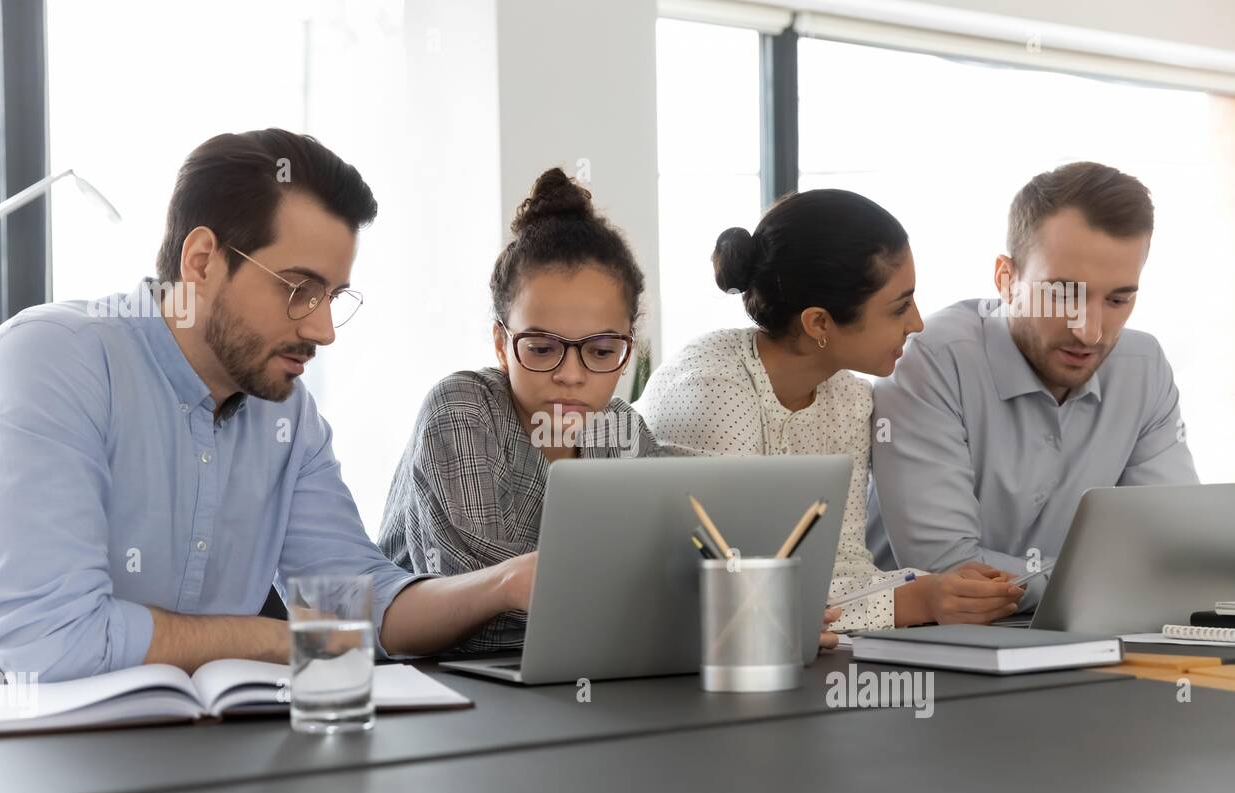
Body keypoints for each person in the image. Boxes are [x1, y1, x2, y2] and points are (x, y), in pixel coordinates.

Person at [0, 128, 534, 686]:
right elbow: (52, 645)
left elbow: (356, 605)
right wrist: (281, 642)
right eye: (299, 290)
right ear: (201, 261)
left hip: (187, 756)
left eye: (333, 297)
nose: (323, 330)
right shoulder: (51, 363)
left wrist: (505, 584)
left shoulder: (288, 417)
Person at [638, 189, 1023, 637]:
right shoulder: (714, 389)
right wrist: (919, 600)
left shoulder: (849, 399)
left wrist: (939, 590)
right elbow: (741, 594)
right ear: (819, 323)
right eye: (899, 306)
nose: (917, 323)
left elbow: (844, 568)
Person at [868, 162, 1199, 610]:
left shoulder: (1144, 368)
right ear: (1007, 279)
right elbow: (948, 568)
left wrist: (1139, 582)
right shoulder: (929, 359)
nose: (1090, 331)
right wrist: (1117, 587)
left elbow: (1174, 549)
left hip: (1081, 636)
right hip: (920, 650)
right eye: (1064, 293)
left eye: (1118, 299)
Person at [379, 168, 656, 655]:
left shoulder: (622, 430)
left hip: (574, 670)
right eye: (543, 348)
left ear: (627, 349)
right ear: (501, 345)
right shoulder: (460, 410)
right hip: (436, 681)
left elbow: (657, 566)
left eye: (601, 350)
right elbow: (479, 605)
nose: (571, 374)